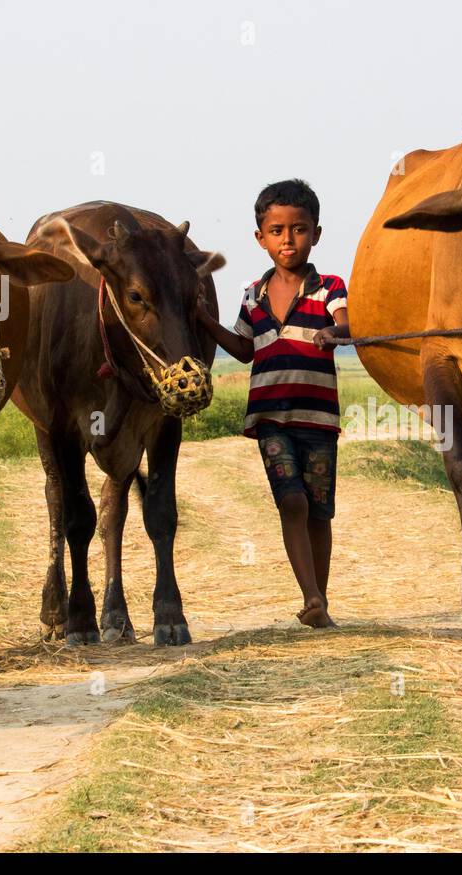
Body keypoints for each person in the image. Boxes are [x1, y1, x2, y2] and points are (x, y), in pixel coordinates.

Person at [195, 179, 350, 628]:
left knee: (320, 511)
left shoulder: (330, 287)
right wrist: (204, 320)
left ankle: (320, 600)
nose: (288, 239)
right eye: (277, 230)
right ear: (260, 238)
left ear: (316, 234)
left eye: (299, 229)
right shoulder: (252, 297)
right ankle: (310, 595)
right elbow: (244, 348)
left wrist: (333, 333)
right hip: (269, 420)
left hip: (318, 419)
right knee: (293, 502)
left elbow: (346, 324)